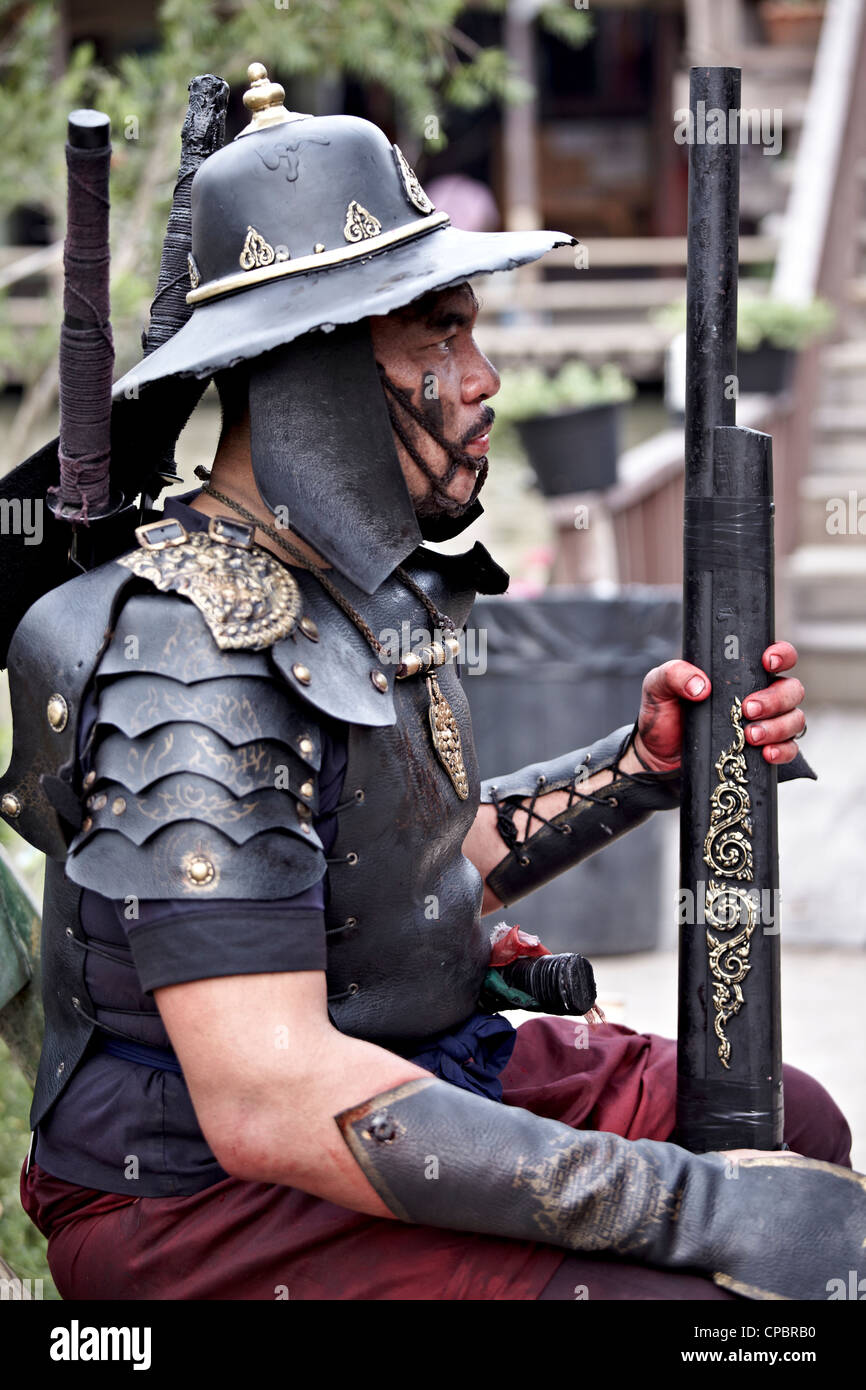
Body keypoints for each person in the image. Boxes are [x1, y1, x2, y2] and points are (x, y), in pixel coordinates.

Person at [4, 64, 861, 1301]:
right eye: (438, 333)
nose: (481, 376)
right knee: (677, 1298)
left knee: (790, 1117)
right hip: (201, 1192)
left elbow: (416, 870)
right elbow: (264, 1094)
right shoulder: (188, 652)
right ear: (318, 371)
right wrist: (692, 1208)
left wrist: (641, 771)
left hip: (408, 1058)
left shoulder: (353, 587)